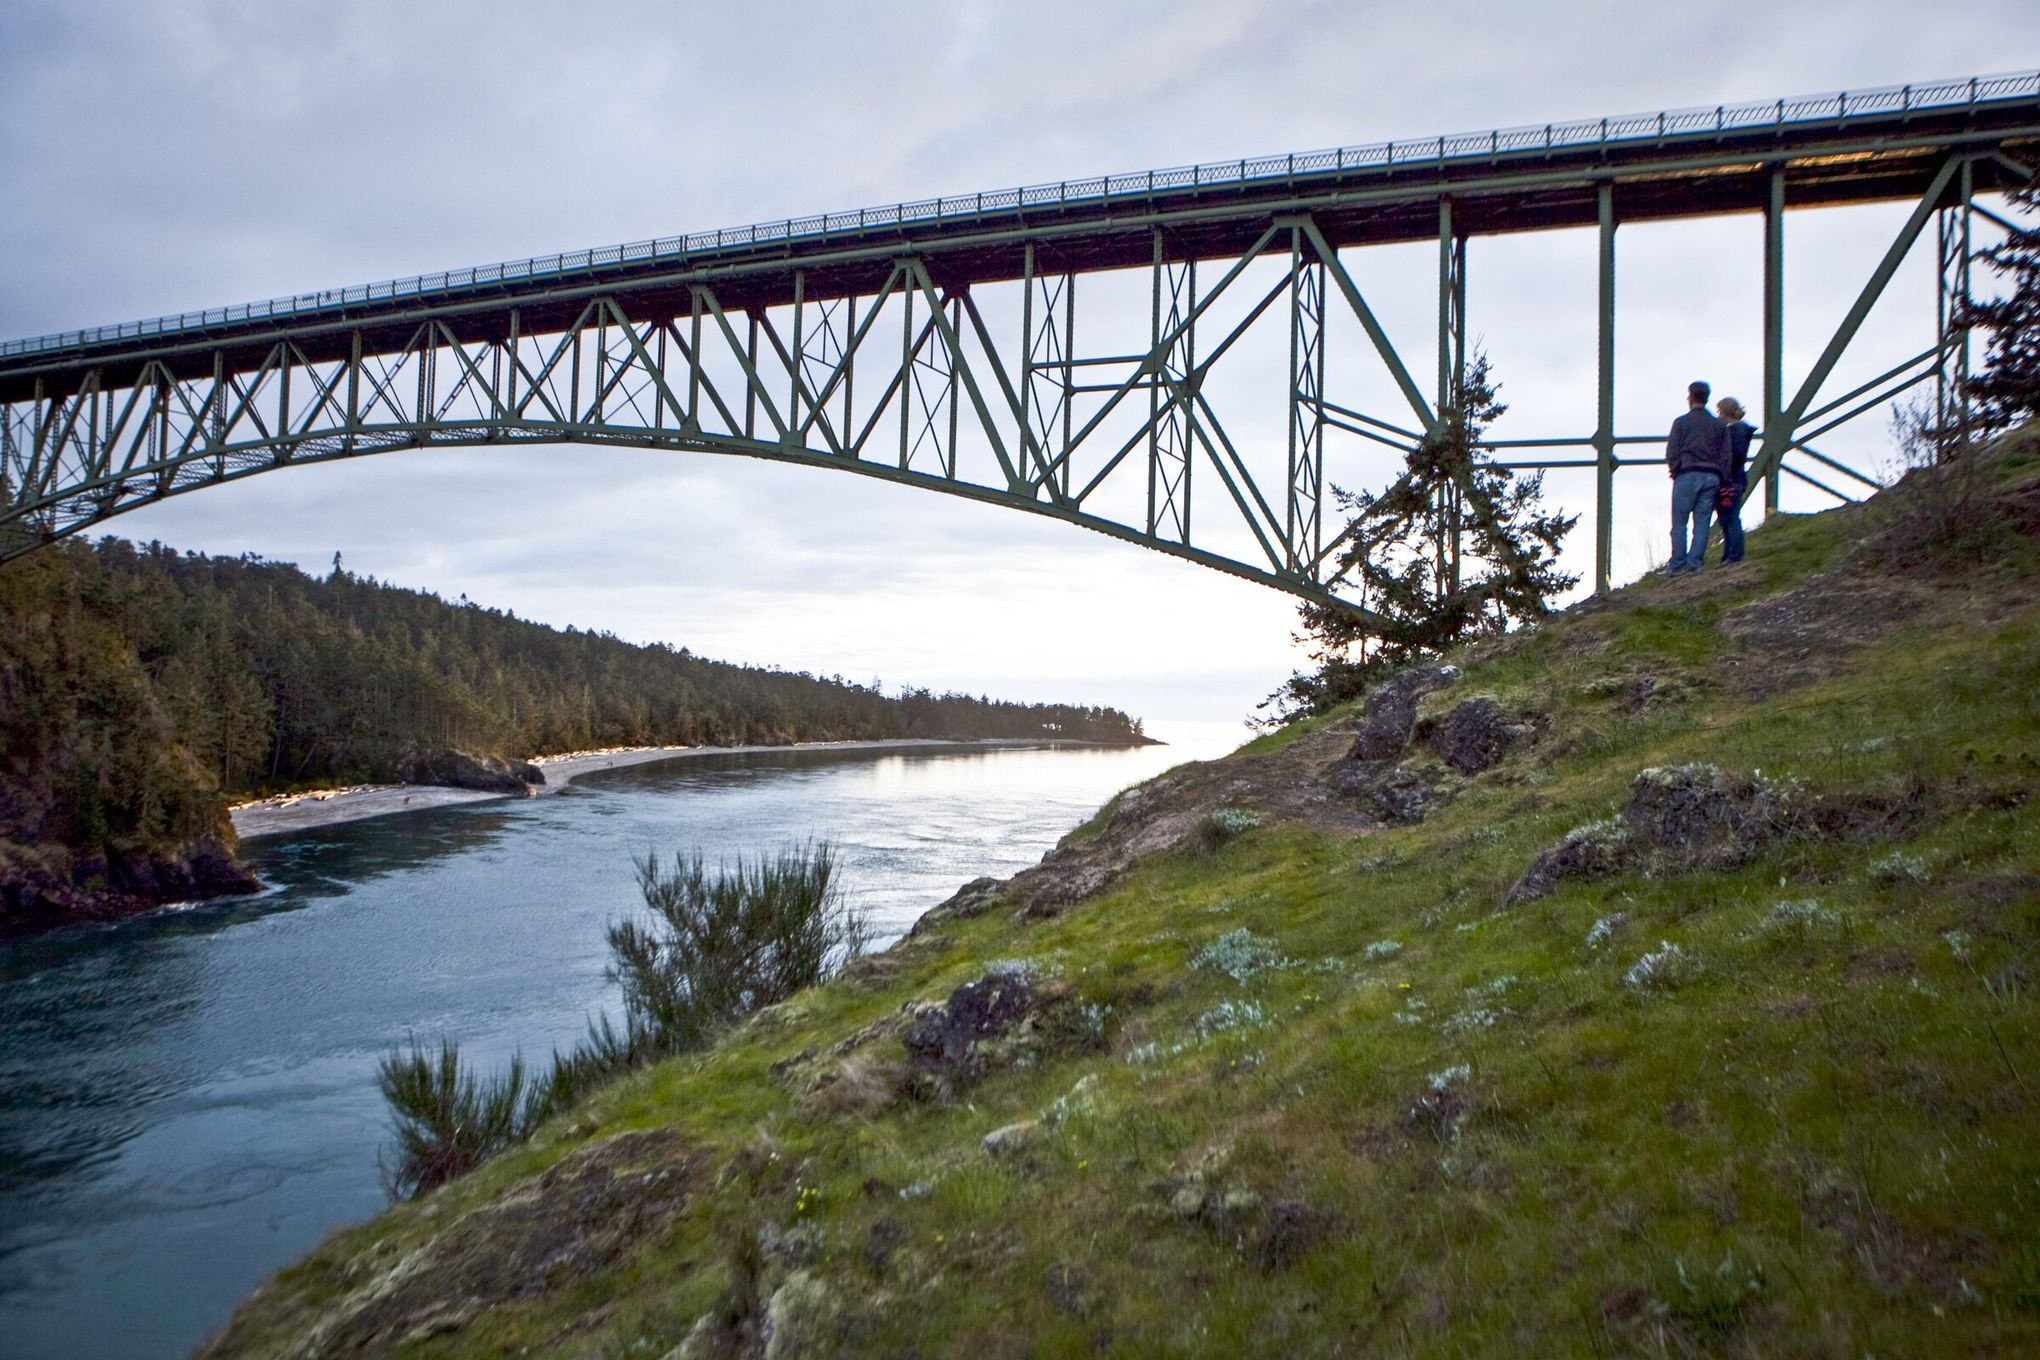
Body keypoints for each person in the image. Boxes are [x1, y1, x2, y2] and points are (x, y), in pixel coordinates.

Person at [1664, 380, 1729, 574]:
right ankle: (1695, 564)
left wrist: (1675, 470)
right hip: (1711, 477)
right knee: (1702, 523)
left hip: (1687, 473)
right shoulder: (1719, 425)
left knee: (1679, 524)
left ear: (1691, 397)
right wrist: (1721, 477)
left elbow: (1672, 451)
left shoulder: (1681, 422)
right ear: (1707, 398)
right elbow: (1726, 455)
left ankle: (1677, 565)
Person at [1714, 397, 1756, 564]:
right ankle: (1730, 553)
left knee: (1730, 518)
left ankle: (1734, 554)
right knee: (1727, 517)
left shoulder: (1736, 431)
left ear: (1724, 412)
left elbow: (1735, 456)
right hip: (1734, 479)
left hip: (1730, 480)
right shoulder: (1740, 430)